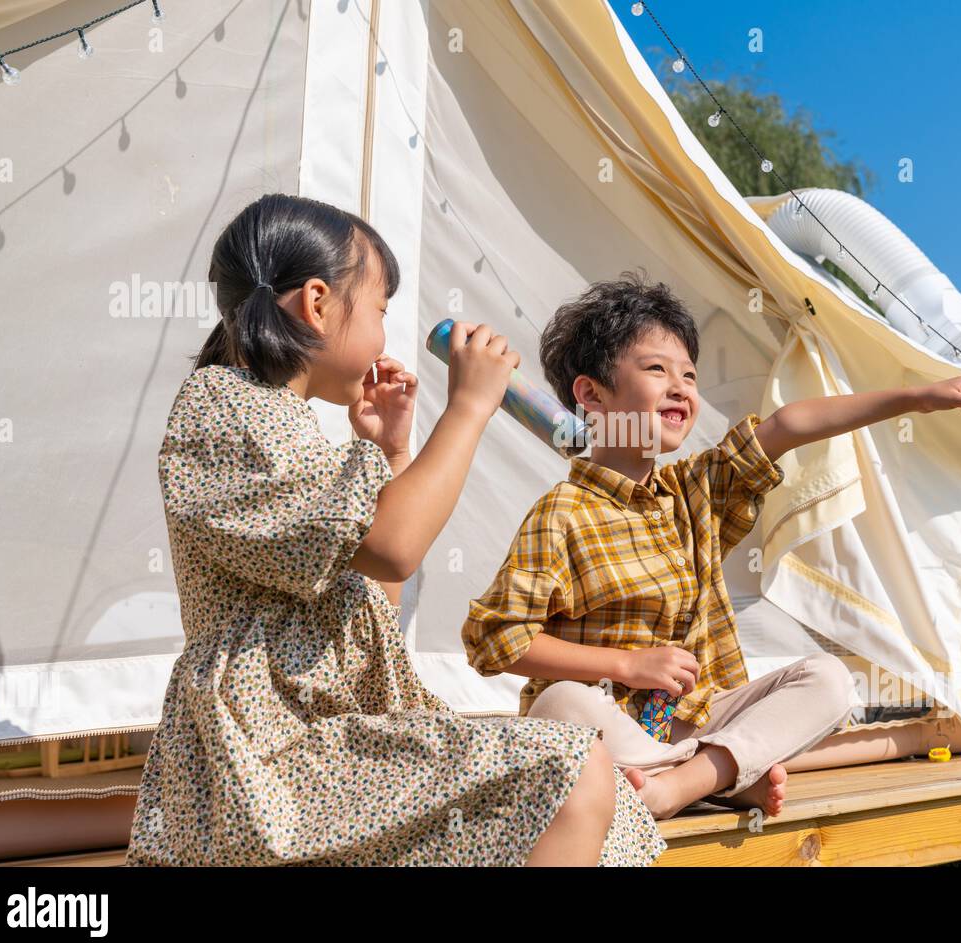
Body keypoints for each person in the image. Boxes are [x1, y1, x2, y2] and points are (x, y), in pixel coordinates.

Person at [125, 195, 666, 866]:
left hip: (326, 744)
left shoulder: (291, 432)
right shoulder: (222, 405)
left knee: (597, 792)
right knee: (571, 774)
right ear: (317, 303)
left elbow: (376, 596)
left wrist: (392, 455)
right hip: (268, 763)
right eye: (380, 310)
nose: (385, 334)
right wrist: (469, 406)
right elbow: (394, 542)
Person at [462, 270, 961, 821]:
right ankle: (713, 776)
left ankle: (680, 784)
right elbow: (494, 641)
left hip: (698, 720)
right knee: (559, 703)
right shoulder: (563, 512)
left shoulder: (695, 493)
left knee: (830, 680)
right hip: (606, 727)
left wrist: (916, 398)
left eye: (690, 375)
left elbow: (788, 425)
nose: (681, 387)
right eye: (656, 369)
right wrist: (627, 665)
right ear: (591, 394)